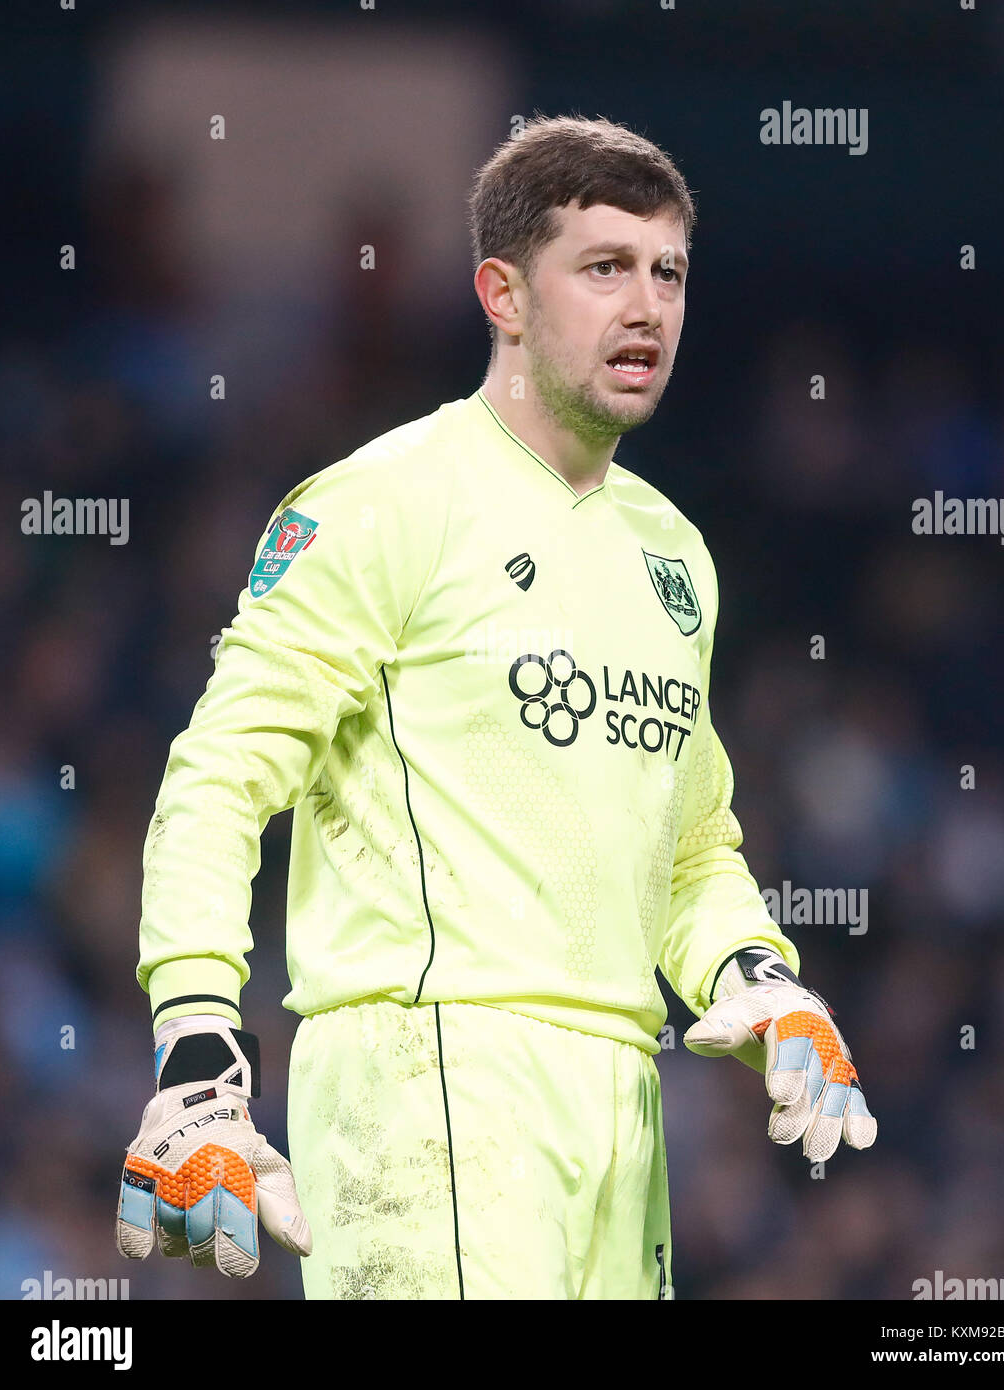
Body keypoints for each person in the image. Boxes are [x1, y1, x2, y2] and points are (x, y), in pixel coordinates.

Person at [116, 114, 876, 1301]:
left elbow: (686, 842)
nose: (648, 307)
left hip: (623, 1101)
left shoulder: (674, 555)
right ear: (503, 295)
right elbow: (216, 782)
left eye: (668, 273)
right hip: (428, 1084)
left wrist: (759, 977)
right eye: (604, 267)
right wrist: (201, 1046)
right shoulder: (381, 502)